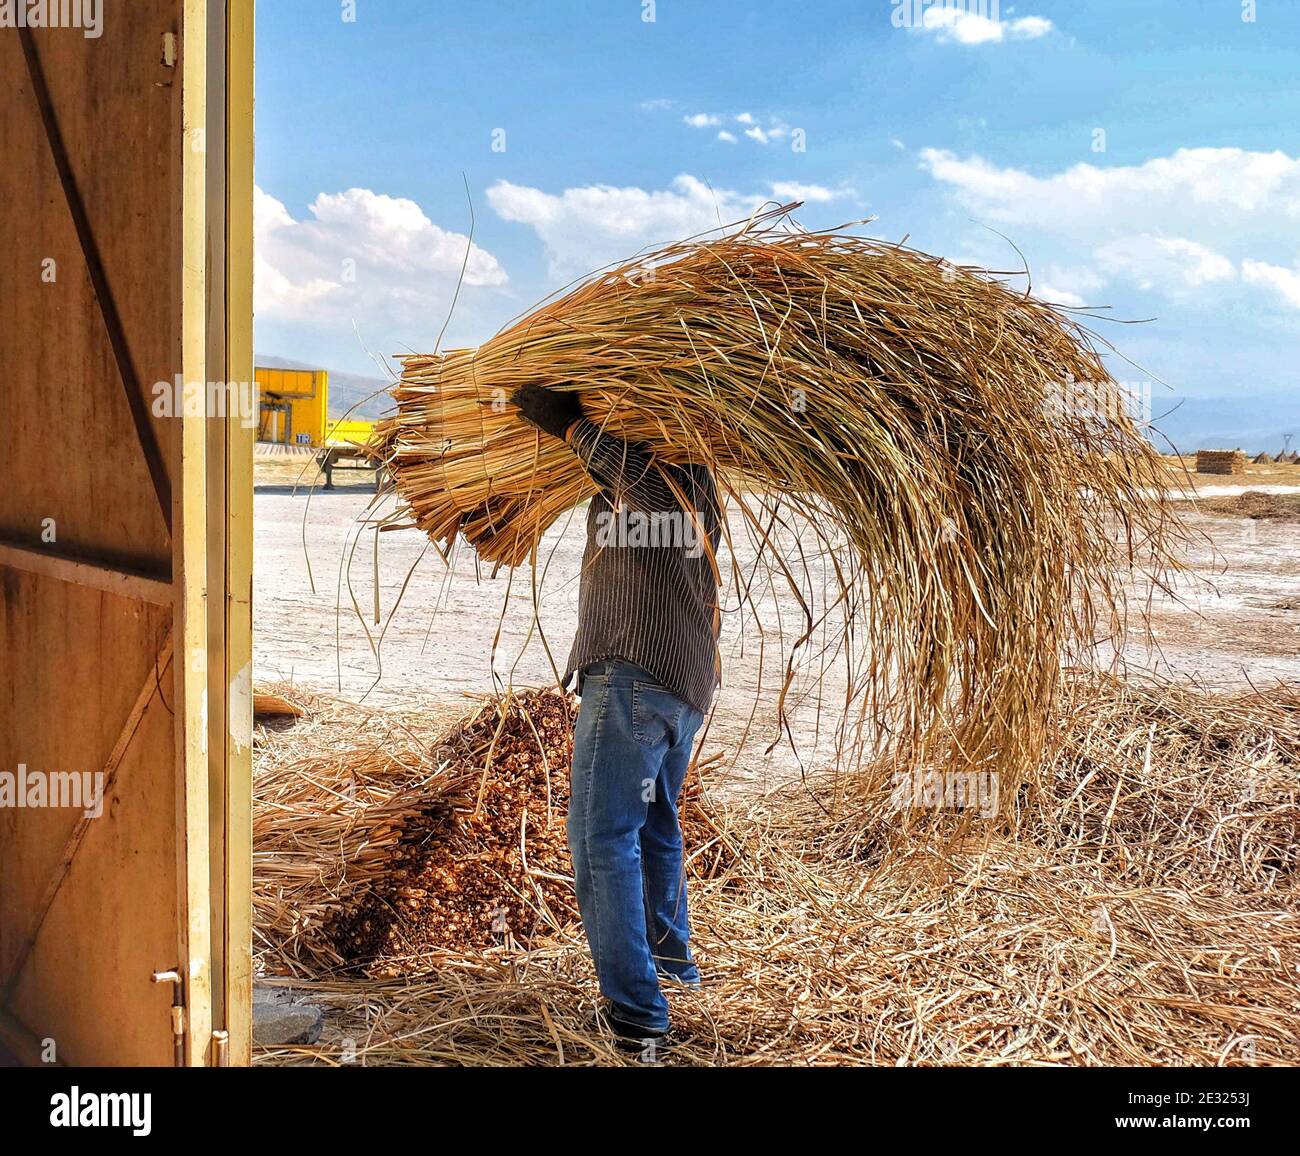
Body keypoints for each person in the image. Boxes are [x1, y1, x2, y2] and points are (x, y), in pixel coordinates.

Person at [511, 383, 722, 1053]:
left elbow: (659, 501)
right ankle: (672, 971)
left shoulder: (675, 473)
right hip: (672, 685)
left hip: (636, 676)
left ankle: (636, 1013)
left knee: (601, 840)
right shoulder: (651, 470)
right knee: (654, 826)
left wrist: (573, 427)